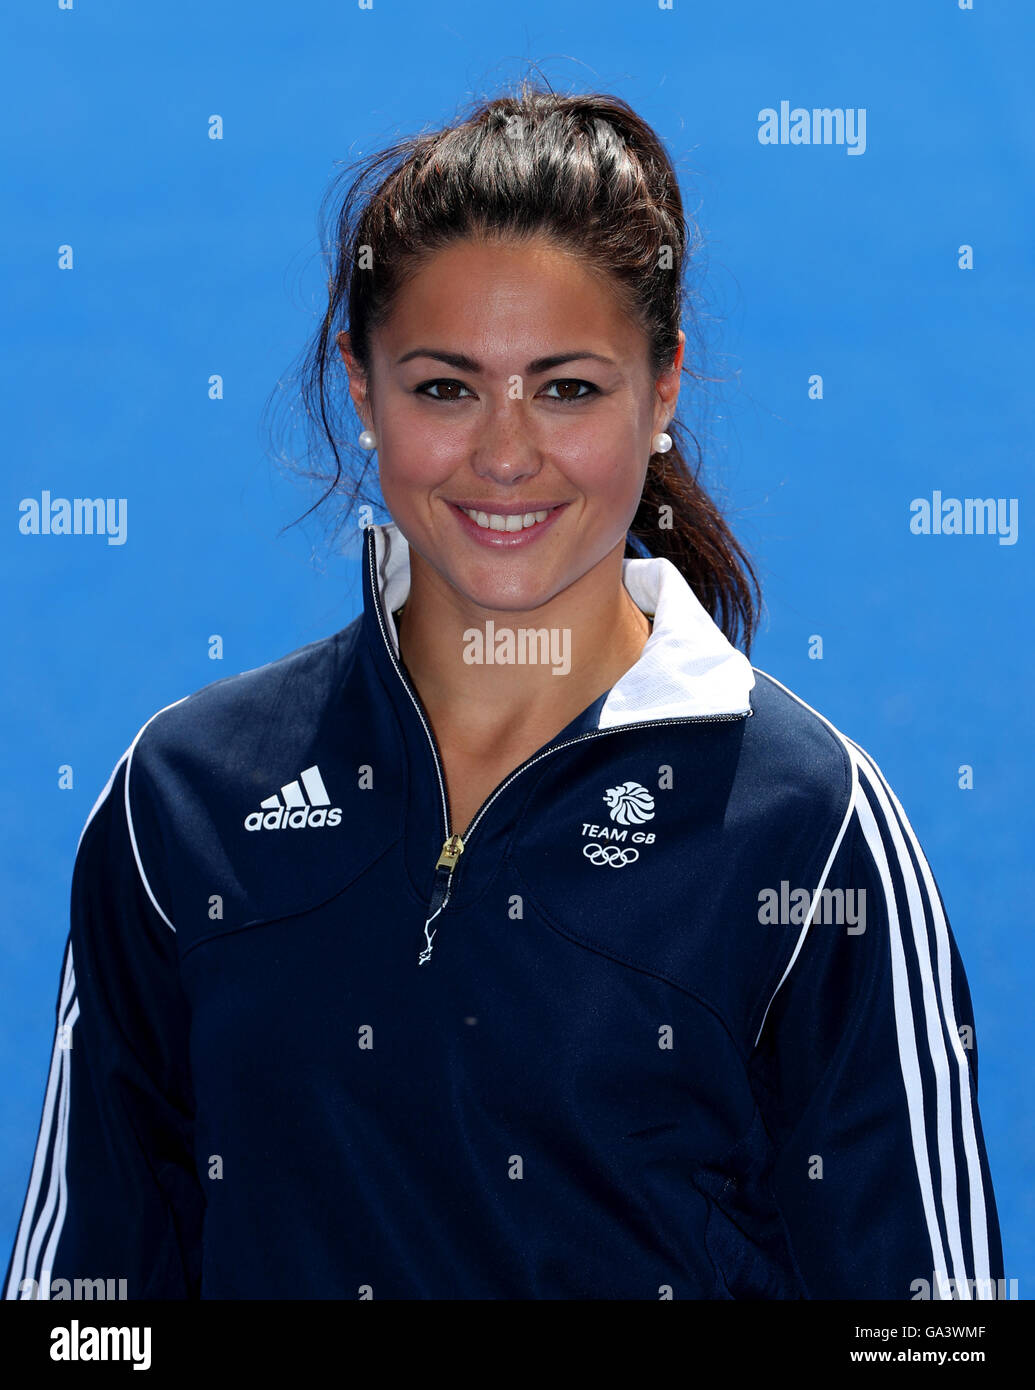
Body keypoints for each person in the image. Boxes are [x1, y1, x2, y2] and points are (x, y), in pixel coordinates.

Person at [5, 84, 1003, 1301]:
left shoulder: (810, 825)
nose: (506, 452)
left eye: (569, 387)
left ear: (665, 390)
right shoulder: (182, 805)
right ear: (362, 392)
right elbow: (84, 1313)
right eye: (445, 386)